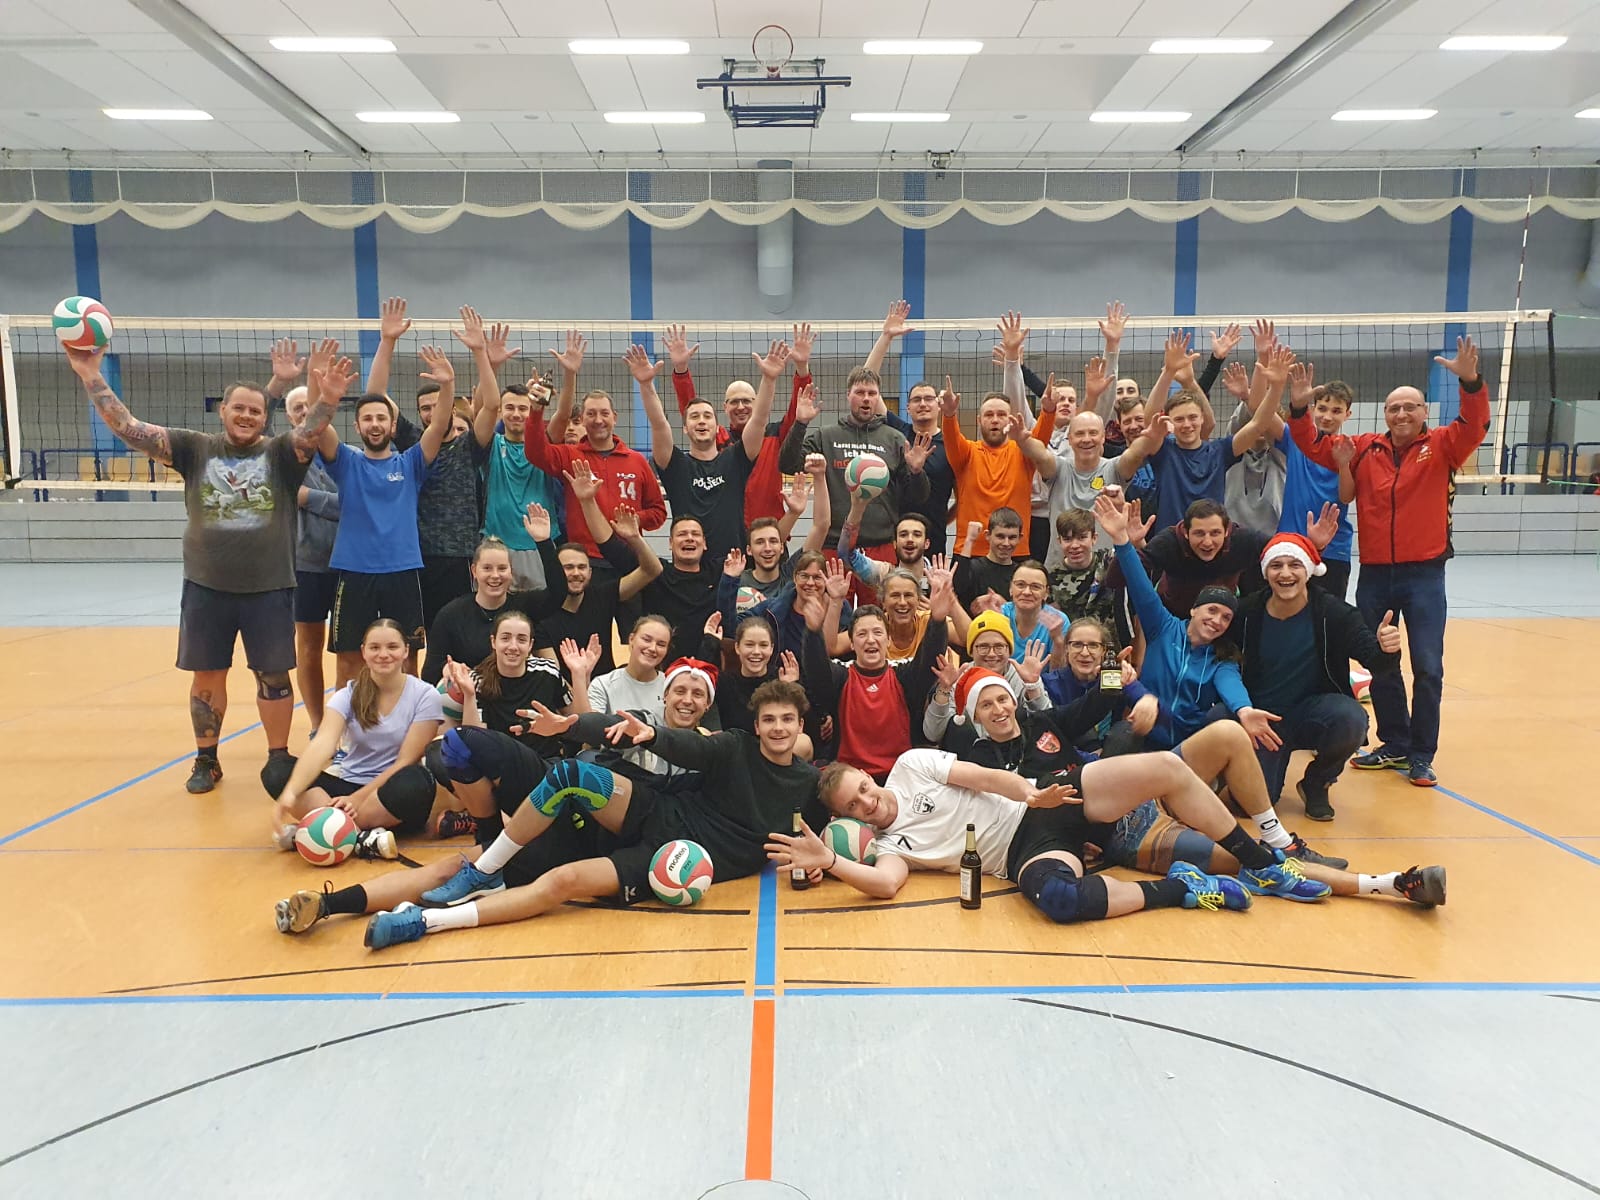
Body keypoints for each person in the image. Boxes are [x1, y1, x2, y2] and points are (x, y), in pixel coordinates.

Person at [62, 335, 352, 794]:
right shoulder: (194, 448)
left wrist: (328, 399)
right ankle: (206, 759)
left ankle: (278, 758)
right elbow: (130, 429)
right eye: (239, 408)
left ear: (265, 417)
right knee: (208, 675)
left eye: (255, 411)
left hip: (270, 586)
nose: (247, 416)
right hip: (206, 586)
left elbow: (312, 431)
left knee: (273, 675)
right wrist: (90, 375)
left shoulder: (281, 454)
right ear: (223, 410)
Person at [356, 680, 826, 947]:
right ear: (755, 725)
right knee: (569, 775)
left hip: (671, 862)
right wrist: (647, 736)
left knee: (562, 883)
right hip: (655, 813)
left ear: (801, 725)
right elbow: (689, 746)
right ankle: (484, 868)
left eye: (787, 720)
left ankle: (425, 923)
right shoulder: (735, 746)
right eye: (769, 719)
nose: (778, 728)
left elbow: (822, 836)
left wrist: (822, 861)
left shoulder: (808, 785)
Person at [777, 740, 1326, 925]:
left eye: (863, 789)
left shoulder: (910, 765)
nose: (867, 803)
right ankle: (1183, 888)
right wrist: (829, 861)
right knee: (1062, 902)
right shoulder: (890, 846)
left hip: (1043, 799)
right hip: (1026, 851)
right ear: (850, 816)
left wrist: (1029, 793)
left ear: (869, 776)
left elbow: (983, 776)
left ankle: (1263, 864)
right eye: (854, 806)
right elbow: (885, 886)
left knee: (1166, 766)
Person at [1290, 335, 1491, 787]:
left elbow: (1476, 423)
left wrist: (1471, 383)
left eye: (1410, 407)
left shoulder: (1444, 445)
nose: (1401, 414)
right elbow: (1312, 443)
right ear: (1384, 414)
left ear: (1424, 412)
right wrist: (1300, 407)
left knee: (1428, 666)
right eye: (1393, 408)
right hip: (1376, 574)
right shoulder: (1364, 447)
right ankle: (1395, 743)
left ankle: (1422, 754)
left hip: (1424, 575)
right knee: (1380, 661)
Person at [1225, 534, 1403, 822]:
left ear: (1308, 570)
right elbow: (1221, 661)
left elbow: (1375, 661)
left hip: (1312, 714)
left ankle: (1317, 781)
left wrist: (1387, 650)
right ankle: (1232, 774)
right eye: (1276, 566)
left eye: (1294, 565)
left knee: (1351, 719)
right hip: (1261, 720)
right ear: (1266, 572)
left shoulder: (1334, 614)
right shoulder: (1246, 613)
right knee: (1252, 805)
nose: (1285, 574)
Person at [317, 344, 457, 684]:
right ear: (357, 426)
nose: (375, 424)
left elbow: (439, 426)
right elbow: (318, 427)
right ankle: (349, 719)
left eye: (381, 418)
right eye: (368, 418)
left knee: (406, 658)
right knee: (349, 661)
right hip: (355, 571)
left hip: (402, 571)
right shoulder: (346, 462)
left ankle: (407, 718)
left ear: (393, 425)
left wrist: (448, 384)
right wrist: (325, 395)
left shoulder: (410, 463)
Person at [263, 618, 443, 855]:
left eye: (392, 647)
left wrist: (358, 799)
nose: (383, 654)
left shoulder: (425, 695)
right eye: (375, 647)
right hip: (346, 790)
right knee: (276, 770)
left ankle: (322, 831)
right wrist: (291, 792)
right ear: (364, 652)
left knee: (417, 781)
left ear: (406, 651)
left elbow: (405, 761)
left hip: (389, 796)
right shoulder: (348, 694)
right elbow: (323, 744)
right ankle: (357, 838)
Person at [800, 560, 952, 779]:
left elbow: (928, 661)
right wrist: (813, 632)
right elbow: (816, 672)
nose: (870, 640)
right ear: (852, 644)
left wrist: (937, 620)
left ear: (887, 639)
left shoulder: (903, 675)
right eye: (862, 634)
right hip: (849, 777)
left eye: (878, 633)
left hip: (900, 776)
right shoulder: (841, 676)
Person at [635, 339, 784, 562]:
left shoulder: (736, 459)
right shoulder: (675, 465)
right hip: (689, 567)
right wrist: (646, 384)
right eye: (694, 417)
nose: (701, 421)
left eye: (707, 416)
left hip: (733, 567)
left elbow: (759, 419)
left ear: (717, 426)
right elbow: (658, 424)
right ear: (685, 428)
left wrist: (769, 379)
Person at [428, 610, 574, 838]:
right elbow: (471, 742)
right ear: (493, 642)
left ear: (531, 645)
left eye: (521, 639)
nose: (513, 646)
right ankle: (492, 819)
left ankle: (485, 819)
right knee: (438, 752)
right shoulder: (479, 679)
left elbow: (575, 717)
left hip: (541, 767)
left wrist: (579, 675)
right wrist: (469, 695)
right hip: (499, 770)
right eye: (505, 638)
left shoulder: (547, 672)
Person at [663, 320, 813, 526]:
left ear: (757, 403)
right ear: (725, 407)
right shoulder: (717, 438)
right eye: (734, 402)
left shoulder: (776, 435)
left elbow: (800, 407)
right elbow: (691, 410)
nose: (741, 406)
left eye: (747, 401)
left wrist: (802, 368)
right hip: (728, 532)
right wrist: (681, 370)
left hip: (768, 533)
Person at [779, 365, 932, 566]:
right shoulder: (827, 436)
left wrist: (917, 471)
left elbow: (918, 498)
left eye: (872, 393)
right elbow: (788, 465)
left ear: (878, 398)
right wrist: (800, 423)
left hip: (880, 546)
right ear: (848, 396)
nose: (866, 398)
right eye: (860, 393)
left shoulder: (894, 439)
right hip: (833, 545)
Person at [523, 348, 666, 562]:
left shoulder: (636, 461)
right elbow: (535, 453)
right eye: (591, 414)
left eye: (604, 413)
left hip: (629, 556)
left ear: (614, 417)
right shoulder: (570, 455)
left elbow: (659, 512)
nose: (598, 420)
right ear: (582, 418)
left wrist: (637, 518)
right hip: (584, 560)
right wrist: (535, 411)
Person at [460, 313, 568, 590]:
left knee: (540, 613)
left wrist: (570, 374)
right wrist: (490, 364)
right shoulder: (490, 445)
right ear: (501, 412)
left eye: (523, 408)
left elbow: (564, 415)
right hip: (498, 546)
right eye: (509, 408)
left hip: (539, 544)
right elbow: (483, 409)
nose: (517, 413)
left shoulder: (543, 446)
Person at [1025, 359, 1168, 567]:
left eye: (1093, 433)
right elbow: (1039, 455)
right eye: (1080, 434)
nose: (1086, 439)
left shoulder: (1114, 467)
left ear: (1103, 438)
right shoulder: (1059, 468)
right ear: (1070, 439)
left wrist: (1151, 437)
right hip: (1059, 572)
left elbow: (1135, 454)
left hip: (1105, 572)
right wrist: (1021, 439)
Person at [523, 462, 662, 676]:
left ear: (590, 573)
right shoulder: (541, 609)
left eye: (581, 567)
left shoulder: (602, 596)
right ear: (555, 571)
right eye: (568, 567)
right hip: (563, 691)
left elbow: (652, 570)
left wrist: (635, 538)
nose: (576, 573)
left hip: (603, 688)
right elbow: (553, 676)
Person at [1137, 497, 1338, 618]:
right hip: (1173, 617)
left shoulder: (1243, 540)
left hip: (1223, 619)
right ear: (1186, 532)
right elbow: (1130, 572)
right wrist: (1126, 545)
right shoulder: (1169, 542)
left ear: (1227, 531)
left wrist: (1315, 547)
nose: (1207, 542)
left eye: (1215, 533)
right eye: (1199, 534)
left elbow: (1282, 550)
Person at [864, 301, 955, 556]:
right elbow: (867, 380)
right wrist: (886, 337)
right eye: (916, 400)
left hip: (934, 540)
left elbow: (963, 497)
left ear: (938, 405)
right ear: (908, 407)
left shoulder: (953, 444)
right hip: (896, 538)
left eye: (928, 399)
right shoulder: (898, 432)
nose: (923, 404)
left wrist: (940, 520)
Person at [284, 379, 341, 737]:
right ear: (290, 418)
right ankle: (318, 723)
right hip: (305, 566)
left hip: (347, 562)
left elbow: (352, 505)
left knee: (351, 650)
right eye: (298, 408)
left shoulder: (343, 455)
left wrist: (308, 498)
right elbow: (289, 494)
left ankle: (346, 721)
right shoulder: (283, 458)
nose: (306, 412)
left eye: (310, 404)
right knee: (308, 647)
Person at [421, 531, 546, 686]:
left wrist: (544, 541)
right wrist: (447, 668)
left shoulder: (525, 605)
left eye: (502, 568)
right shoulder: (450, 614)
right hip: (470, 693)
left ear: (511, 571)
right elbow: (429, 674)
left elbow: (558, 592)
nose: (495, 575)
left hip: (518, 692)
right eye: (487, 568)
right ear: (474, 571)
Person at [1039, 617, 1159, 757]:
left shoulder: (1113, 676)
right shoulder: (1050, 683)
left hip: (1112, 753)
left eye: (1093, 645)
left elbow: (1141, 697)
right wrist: (1092, 758)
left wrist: (1147, 701)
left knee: (1127, 730)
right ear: (1067, 649)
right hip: (1069, 759)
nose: (1085, 653)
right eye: (1077, 645)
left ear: (1104, 651)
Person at [636, 515, 723, 663]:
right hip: (661, 666)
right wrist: (634, 536)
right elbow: (616, 552)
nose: (689, 538)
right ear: (670, 543)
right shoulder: (656, 572)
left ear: (704, 543)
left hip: (708, 667)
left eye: (695, 534)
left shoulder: (721, 572)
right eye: (682, 534)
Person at [1046, 508, 1131, 654]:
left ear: (1094, 538)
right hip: (1073, 653)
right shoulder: (1050, 577)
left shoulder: (1109, 562)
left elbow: (1138, 567)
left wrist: (1134, 540)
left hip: (1110, 650)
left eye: (1082, 537)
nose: (1074, 545)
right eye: (1067, 539)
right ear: (1059, 541)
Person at [583, 614, 673, 718]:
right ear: (631, 639)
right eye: (646, 639)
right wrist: (580, 675)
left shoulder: (672, 687)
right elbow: (591, 724)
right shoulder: (603, 684)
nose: (653, 648)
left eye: (661, 644)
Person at [953, 509, 1024, 615]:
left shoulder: (1022, 573)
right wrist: (969, 540)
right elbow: (958, 588)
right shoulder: (974, 567)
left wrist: (1003, 605)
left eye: (1012, 537)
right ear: (988, 535)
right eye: (1000, 536)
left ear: (1020, 538)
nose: (1006, 543)